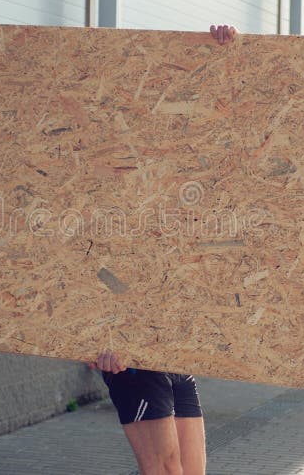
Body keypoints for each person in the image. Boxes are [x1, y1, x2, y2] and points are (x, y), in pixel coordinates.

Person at [92, 24, 237, 475]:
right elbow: (86, 269)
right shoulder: (111, 197)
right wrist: (105, 337)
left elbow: (226, 129)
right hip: (133, 357)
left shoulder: (186, 194)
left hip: (175, 349)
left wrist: (223, 56)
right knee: (166, 472)